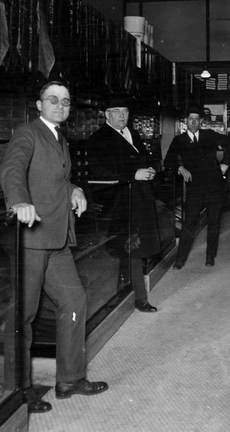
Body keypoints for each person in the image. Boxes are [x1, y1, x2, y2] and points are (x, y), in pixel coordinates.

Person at [0, 81, 108, 414]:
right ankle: (18, 391)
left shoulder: (60, 138)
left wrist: (76, 189)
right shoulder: (27, 133)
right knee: (24, 314)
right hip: (32, 239)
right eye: (53, 100)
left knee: (74, 300)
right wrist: (18, 201)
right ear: (38, 104)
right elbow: (12, 169)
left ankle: (70, 379)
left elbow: (56, 178)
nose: (60, 105)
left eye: (65, 101)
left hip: (57, 238)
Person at [87, 96, 161, 313]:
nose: (122, 116)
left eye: (125, 111)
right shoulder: (97, 139)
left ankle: (131, 292)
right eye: (116, 111)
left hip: (140, 199)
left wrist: (150, 169)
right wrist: (133, 174)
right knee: (129, 250)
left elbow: (145, 158)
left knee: (137, 250)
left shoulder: (133, 134)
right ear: (106, 114)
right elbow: (100, 172)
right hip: (120, 203)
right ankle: (137, 297)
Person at [163, 105, 230, 268]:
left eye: (197, 119)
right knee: (189, 222)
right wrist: (180, 168)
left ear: (201, 121)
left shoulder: (209, 135)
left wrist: (225, 165)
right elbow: (168, 161)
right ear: (186, 121)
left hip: (215, 185)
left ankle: (210, 257)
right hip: (195, 187)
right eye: (190, 119)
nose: (194, 122)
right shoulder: (179, 140)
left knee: (213, 222)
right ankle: (180, 259)